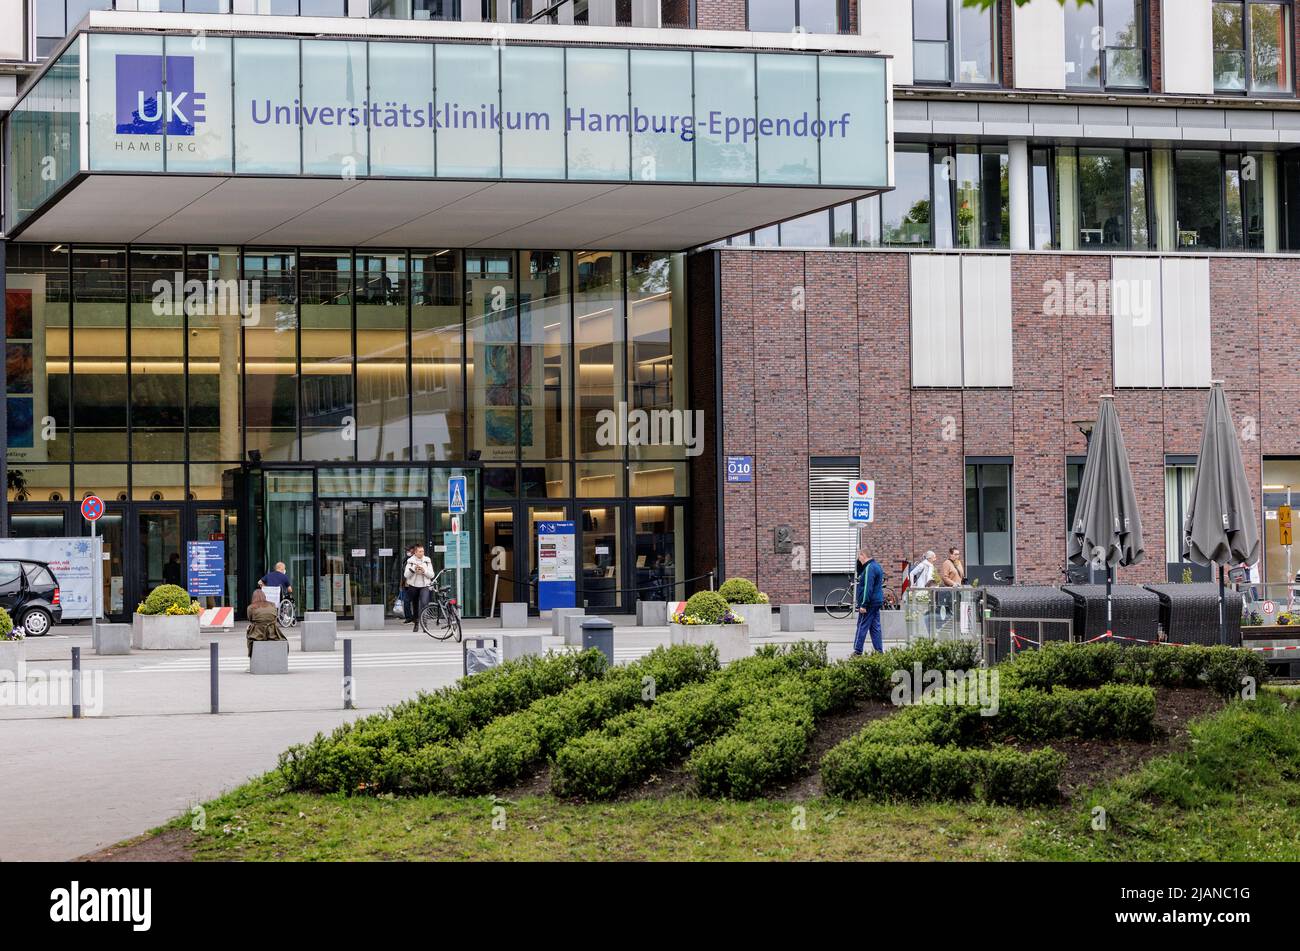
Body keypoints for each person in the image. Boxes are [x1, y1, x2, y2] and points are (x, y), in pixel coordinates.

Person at [853, 548, 885, 656]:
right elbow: (859, 571)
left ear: (863, 555)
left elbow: (867, 588)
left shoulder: (869, 568)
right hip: (876, 602)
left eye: (859, 556)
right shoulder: (875, 566)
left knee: (862, 626)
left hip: (869, 603)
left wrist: (863, 604)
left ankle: (857, 651)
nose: (858, 558)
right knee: (875, 627)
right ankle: (879, 651)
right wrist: (859, 563)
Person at [245, 589, 286, 658]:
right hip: (273, 632)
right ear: (264, 596)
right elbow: (274, 618)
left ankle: (252, 656)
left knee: (249, 629)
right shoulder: (272, 605)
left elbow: (251, 619)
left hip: (257, 633)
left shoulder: (251, 607)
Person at [404, 544, 435, 631]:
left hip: (425, 586)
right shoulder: (410, 561)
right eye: (420, 551)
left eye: (423, 551)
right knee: (415, 605)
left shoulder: (427, 560)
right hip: (413, 586)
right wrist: (413, 569)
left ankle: (424, 625)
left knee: (424, 603)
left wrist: (424, 571)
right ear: (415, 552)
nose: (422, 553)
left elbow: (432, 575)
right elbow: (406, 575)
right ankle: (416, 622)